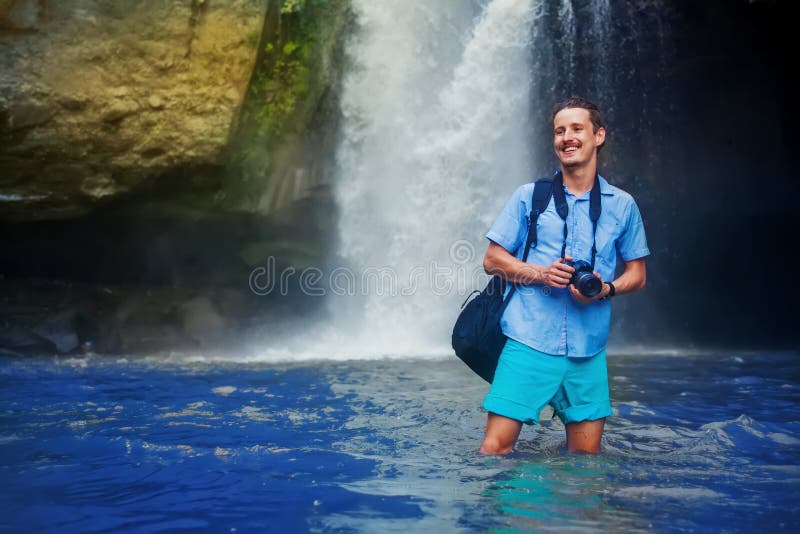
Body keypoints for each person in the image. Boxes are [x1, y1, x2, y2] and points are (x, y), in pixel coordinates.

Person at [479, 96, 649, 455]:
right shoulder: (530, 197)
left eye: (576, 129)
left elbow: (637, 274)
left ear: (598, 136)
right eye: (559, 131)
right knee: (494, 450)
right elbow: (492, 260)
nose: (567, 137)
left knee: (585, 461)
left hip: (588, 349)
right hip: (528, 342)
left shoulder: (623, 205)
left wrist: (605, 289)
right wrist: (541, 273)